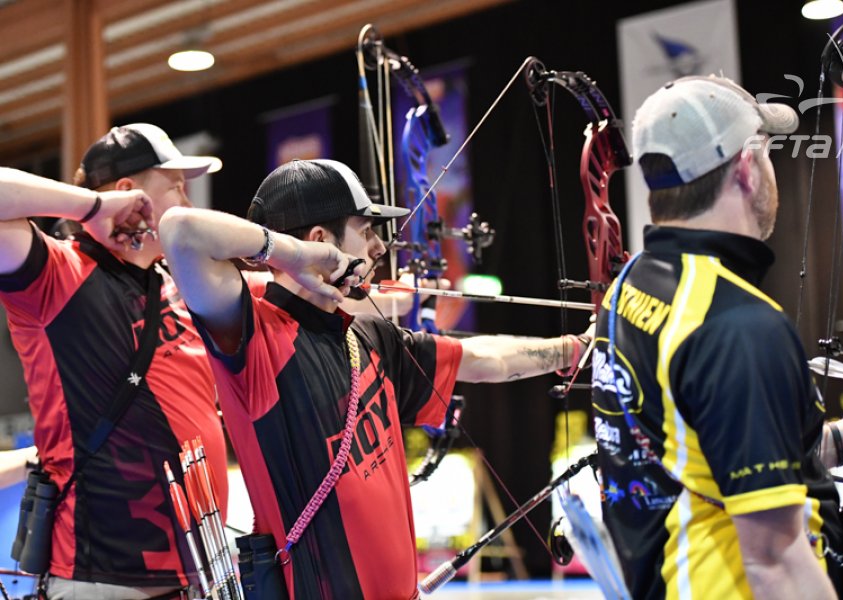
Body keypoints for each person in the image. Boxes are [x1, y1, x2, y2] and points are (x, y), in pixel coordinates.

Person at [158, 158, 591, 599]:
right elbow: (179, 230)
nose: (379, 247)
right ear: (320, 240)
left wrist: (578, 347)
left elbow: (481, 360)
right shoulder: (255, 340)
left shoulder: (367, 336)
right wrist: (297, 254)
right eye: (365, 231)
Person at [590, 75, 843, 599]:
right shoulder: (736, 324)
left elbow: (704, 458)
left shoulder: (630, 288)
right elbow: (774, 561)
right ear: (745, 168)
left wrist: (839, 442)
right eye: (767, 151)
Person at [0, 123, 228, 599]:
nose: (188, 205)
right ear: (128, 191)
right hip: (104, 576)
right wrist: (94, 206)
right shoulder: (57, 275)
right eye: (176, 187)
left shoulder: (176, 284)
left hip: (198, 569)